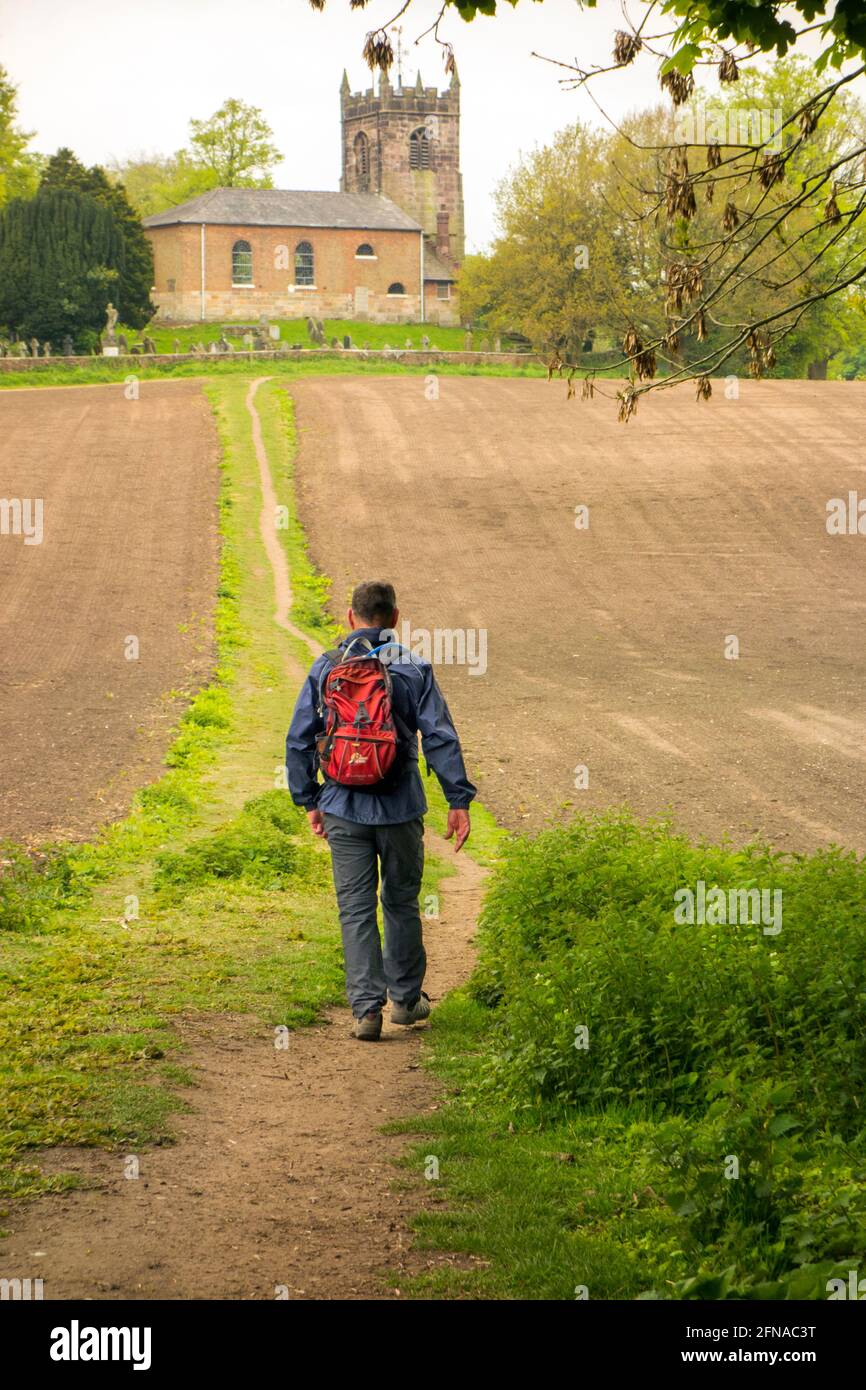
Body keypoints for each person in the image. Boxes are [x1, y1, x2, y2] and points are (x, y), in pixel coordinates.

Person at [285, 580, 476, 1041]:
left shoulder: (325, 667)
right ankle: (406, 1002)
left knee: (354, 909)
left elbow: (298, 739)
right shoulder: (413, 667)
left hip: (342, 806)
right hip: (400, 807)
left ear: (351, 617)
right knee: (401, 902)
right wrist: (458, 800)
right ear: (394, 619)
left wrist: (309, 800)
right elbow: (440, 737)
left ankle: (366, 1011)